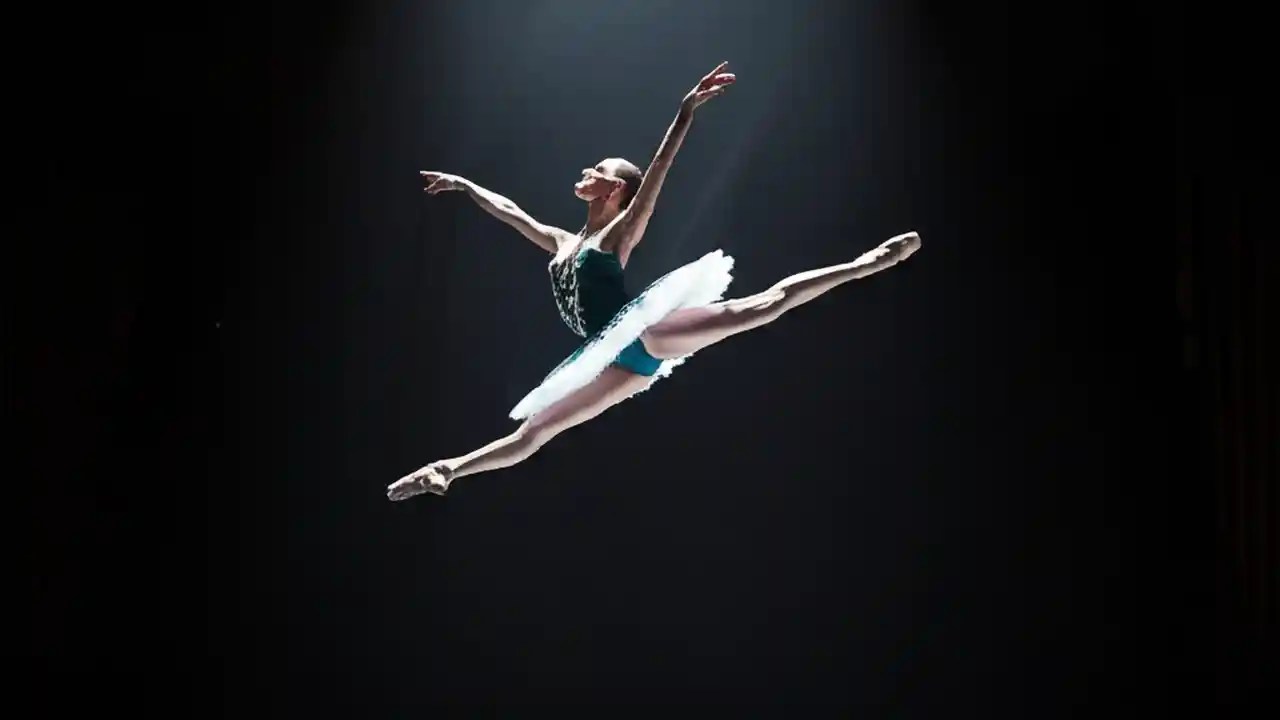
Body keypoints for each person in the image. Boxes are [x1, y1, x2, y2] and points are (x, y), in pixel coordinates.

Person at [388, 61, 921, 500]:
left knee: (760, 307)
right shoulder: (562, 241)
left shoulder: (616, 238)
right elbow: (510, 211)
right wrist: (465, 186)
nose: (585, 172)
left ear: (614, 190)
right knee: (537, 431)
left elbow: (657, 175)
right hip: (613, 358)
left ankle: (869, 261)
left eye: (597, 170)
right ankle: (447, 469)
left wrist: (684, 112)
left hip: (642, 331)